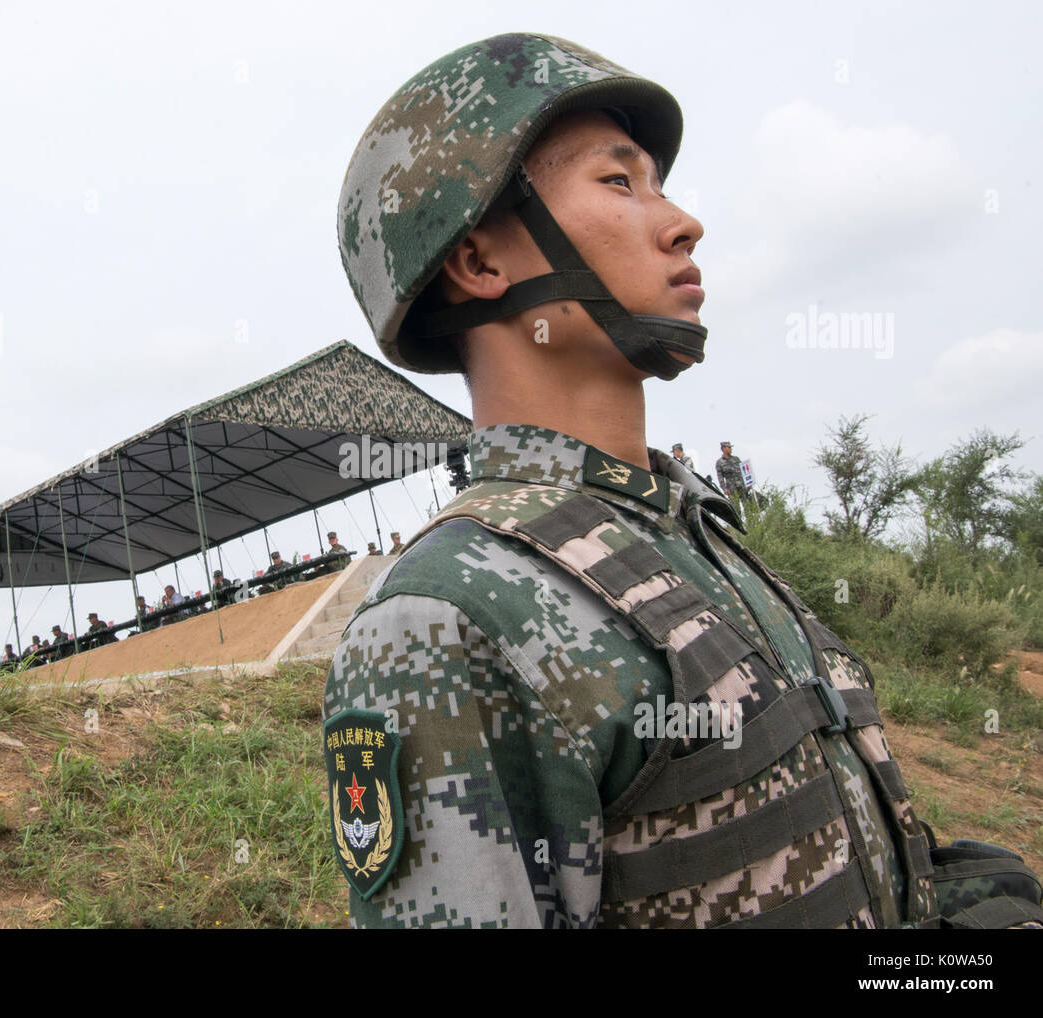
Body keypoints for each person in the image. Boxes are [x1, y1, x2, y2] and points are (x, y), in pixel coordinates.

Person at [324, 33, 1041, 929]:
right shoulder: (450, 614)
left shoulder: (692, 535)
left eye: (657, 182)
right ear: (480, 263)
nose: (681, 221)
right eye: (618, 183)